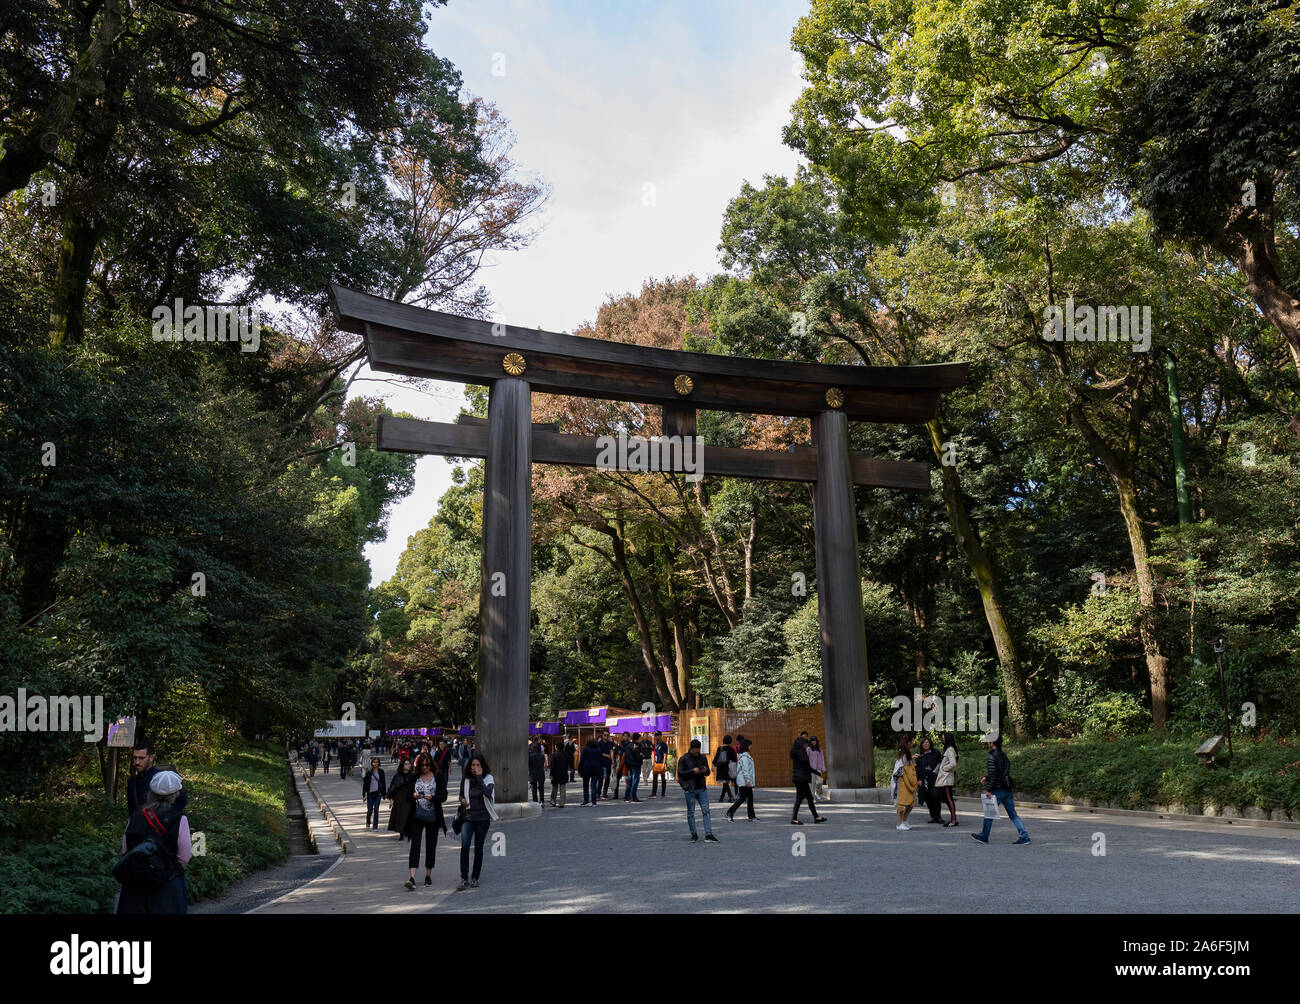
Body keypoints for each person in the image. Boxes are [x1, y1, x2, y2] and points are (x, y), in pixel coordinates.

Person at [116, 770, 190, 914]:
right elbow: (184, 857)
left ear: (151, 792)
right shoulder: (180, 820)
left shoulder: (135, 817)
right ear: (176, 794)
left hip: (134, 887)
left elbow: (125, 851)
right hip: (166, 887)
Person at [972, 733, 1030, 845]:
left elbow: (994, 775)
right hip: (1007, 788)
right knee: (1013, 814)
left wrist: (988, 789)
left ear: (992, 742)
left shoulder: (992, 757)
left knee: (989, 813)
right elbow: (1002, 772)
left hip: (997, 789)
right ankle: (1024, 836)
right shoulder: (1004, 755)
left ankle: (984, 836)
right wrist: (987, 777)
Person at [403, 753, 446, 889]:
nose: (424, 767)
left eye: (427, 765)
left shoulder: (437, 776)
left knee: (430, 845)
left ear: (431, 764)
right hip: (417, 815)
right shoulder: (414, 777)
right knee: (415, 844)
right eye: (422, 765)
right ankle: (412, 877)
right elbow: (407, 796)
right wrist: (414, 795)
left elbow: (443, 796)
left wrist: (432, 798)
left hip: (433, 815)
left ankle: (428, 875)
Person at [457, 753, 499, 889]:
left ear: (482, 766)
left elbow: (488, 793)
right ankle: (464, 877)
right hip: (468, 817)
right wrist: (462, 800)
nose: (475, 768)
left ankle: (475, 877)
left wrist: (479, 778)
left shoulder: (488, 778)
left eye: (478, 765)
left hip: (482, 818)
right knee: (465, 846)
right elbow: (461, 794)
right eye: (473, 765)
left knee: (479, 848)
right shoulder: (466, 779)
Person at [677, 739, 719, 842]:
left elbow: (708, 772)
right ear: (691, 748)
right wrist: (692, 771)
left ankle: (708, 834)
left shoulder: (702, 757)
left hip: (702, 788)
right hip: (690, 789)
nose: (697, 753)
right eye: (695, 750)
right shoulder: (684, 758)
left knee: (706, 811)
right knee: (691, 812)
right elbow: (680, 773)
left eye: (698, 750)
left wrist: (705, 770)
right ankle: (694, 834)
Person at [790, 736, 825, 824]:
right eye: (805, 744)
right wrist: (816, 772)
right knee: (800, 799)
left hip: (799, 778)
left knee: (808, 798)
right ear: (801, 744)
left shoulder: (797, 752)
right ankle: (794, 819)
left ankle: (816, 817)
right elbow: (807, 767)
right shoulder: (801, 753)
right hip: (801, 779)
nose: (806, 746)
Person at [726, 738, 758, 821]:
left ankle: (751, 816)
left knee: (749, 798)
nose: (751, 746)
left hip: (744, 781)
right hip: (744, 782)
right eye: (750, 745)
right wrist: (748, 781)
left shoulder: (743, 756)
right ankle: (730, 812)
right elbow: (745, 770)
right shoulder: (745, 757)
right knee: (742, 798)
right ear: (747, 746)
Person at [914, 736, 943, 823]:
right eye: (923, 743)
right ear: (921, 745)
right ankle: (933, 816)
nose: (925, 744)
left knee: (935, 797)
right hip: (923, 779)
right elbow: (917, 768)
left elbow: (940, 764)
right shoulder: (919, 754)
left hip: (934, 779)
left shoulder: (936, 753)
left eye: (927, 742)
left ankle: (938, 816)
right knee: (927, 798)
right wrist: (918, 779)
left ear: (930, 743)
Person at [126, 741, 159, 816]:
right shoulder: (132, 781)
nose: (137, 762)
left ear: (151, 758)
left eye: (141, 758)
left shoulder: (160, 778)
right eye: (135, 758)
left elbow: (179, 801)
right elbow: (131, 809)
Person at [892, 737, 917, 830]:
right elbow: (905, 769)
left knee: (911, 803)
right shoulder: (905, 754)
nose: (913, 742)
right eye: (912, 741)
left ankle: (904, 820)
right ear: (908, 743)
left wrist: (913, 759)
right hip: (901, 781)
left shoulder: (905, 753)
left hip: (905, 780)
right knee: (901, 803)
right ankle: (899, 824)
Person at [387, 758, 415, 839]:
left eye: (409, 764)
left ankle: (407, 831)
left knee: (409, 815)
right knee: (400, 815)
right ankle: (401, 832)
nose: (408, 765)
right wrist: (391, 799)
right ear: (402, 766)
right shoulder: (398, 775)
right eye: (406, 764)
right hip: (400, 798)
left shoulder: (412, 775)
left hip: (410, 797)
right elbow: (393, 787)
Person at [937, 731, 959, 826]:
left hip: (946, 778)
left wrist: (943, 768)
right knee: (946, 798)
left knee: (949, 799)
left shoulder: (950, 750)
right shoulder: (948, 749)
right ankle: (953, 819)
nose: (942, 740)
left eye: (943, 738)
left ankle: (954, 820)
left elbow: (953, 763)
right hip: (944, 778)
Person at [362, 757, 387, 830]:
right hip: (370, 793)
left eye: (377, 762)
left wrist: (384, 794)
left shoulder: (381, 772)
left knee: (376, 809)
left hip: (378, 793)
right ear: (372, 763)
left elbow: (383, 783)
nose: (375, 763)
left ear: (379, 763)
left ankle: (375, 826)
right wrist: (364, 795)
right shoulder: (369, 772)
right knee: (370, 810)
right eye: (374, 762)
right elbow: (365, 784)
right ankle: (368, 821)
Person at [578, 738, 604, 805]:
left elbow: (581, 761)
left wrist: (580, 770)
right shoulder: (598, 750)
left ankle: (586, 801)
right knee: (593, 786)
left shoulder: (585, 750)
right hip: (596, 769)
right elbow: (601, 760)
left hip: (586, 769)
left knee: (585, 785)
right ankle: (594, 802)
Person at [713, 736, 737, 803]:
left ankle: (729, 796)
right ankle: (722, 797)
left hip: (721, 767)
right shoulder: (731, 749)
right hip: (729, 767)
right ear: (730, 741)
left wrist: (713, 764)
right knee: (725, 782)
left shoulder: (720, 748)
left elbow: (716, 757)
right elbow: (734, 759)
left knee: (725, 782)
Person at [549, 736, 571, 807]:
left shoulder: (554, 754)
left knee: (554, 788)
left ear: (556, 747)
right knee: (562, 789)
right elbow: (568, 763)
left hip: (555, 773)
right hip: (564, 773)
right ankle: (561, 803)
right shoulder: (566, 754)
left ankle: (553, 801)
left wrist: (551, 774)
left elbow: (552, 766)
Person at [623, 733, 644, 802]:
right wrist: (641, 756)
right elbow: (638, 756)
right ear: (637, 738)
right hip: (636, 765)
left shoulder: (628, 745)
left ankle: (626, 796)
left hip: (629, 765)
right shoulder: (636, 746)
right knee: (635, 781)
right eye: (639, 738)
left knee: (630, 781)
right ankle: (633, 797)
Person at [650, 732, 670, 798]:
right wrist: (653, 763)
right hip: (656, 763)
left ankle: (663, 793)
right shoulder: (656, 744)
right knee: (654, 779)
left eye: (657, 736)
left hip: (661, 763)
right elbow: (654, 754)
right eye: (655, 736)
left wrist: (664, 764)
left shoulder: (663, 744)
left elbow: (665, 754)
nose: (656, 737)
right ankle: (653, 793)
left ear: (660, 736)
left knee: (663, 779)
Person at [529, 740, 547, 804]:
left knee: (534, 789)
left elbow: (529, 765)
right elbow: (543, 763)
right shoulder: (542, 756)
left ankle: (535, 801)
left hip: (533, 773)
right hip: (541, 773)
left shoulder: (530, 756)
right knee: (541, 788)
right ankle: (542, 801)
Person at [597, 733, 614, 798]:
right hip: (601, 763)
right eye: (604, 735)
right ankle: (598, 794)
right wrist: (607, 755)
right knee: (600, 779)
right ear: (602, 735)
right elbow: (599, 753)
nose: (606, 736)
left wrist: (613, 761)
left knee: (607, 779)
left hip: (608, 763)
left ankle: (605, 793)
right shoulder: (599, 743)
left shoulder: (610, 743)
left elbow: (612, 751)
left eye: (607, 735)